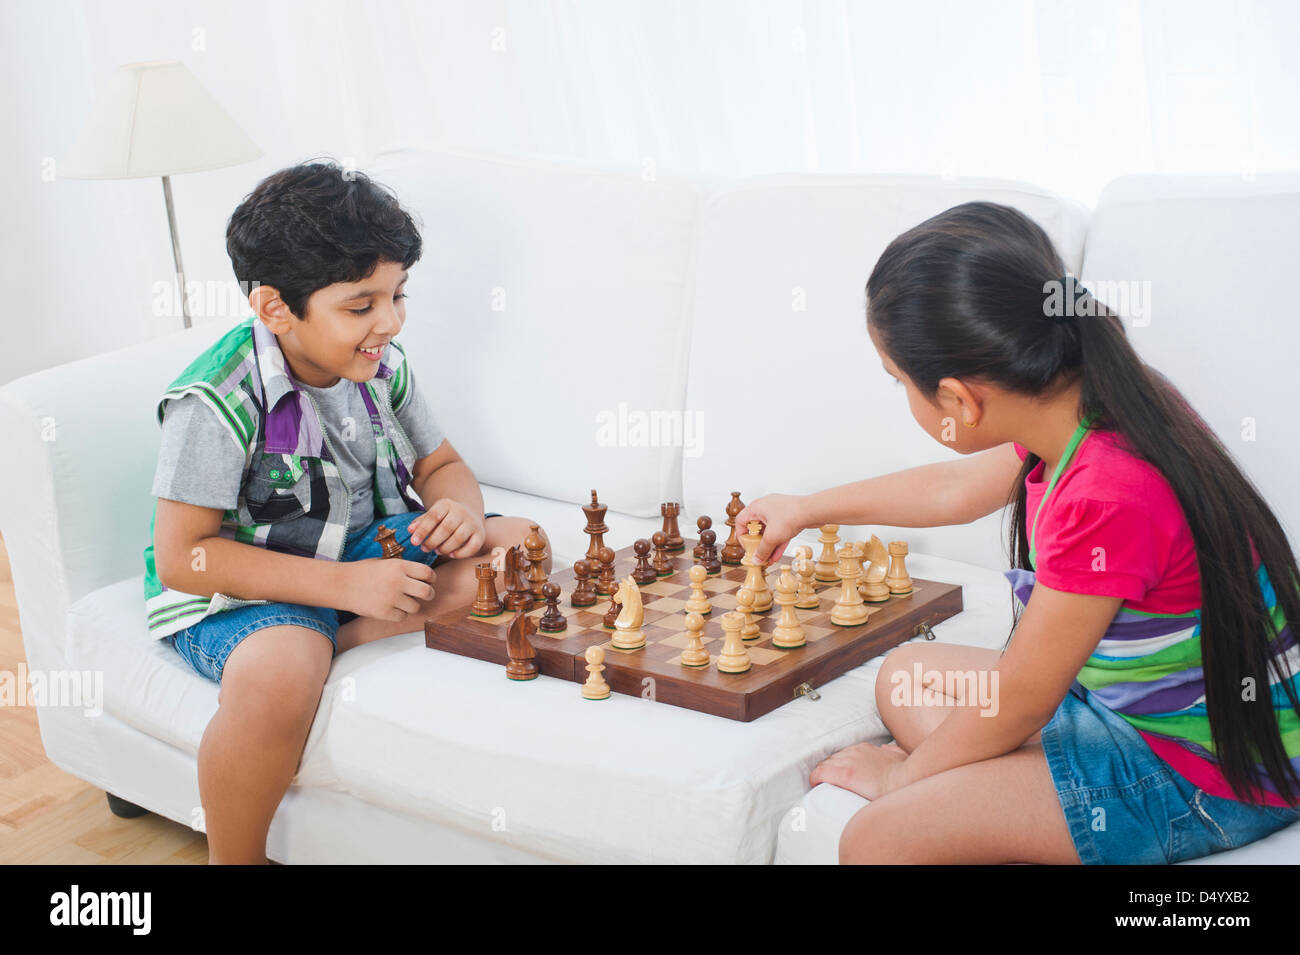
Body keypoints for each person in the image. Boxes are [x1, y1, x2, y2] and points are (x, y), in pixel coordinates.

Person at [736, 201, 1300, 864]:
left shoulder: (1107, 495)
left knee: (878, 839)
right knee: (906, 678)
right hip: (1121, 708)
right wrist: (805, 508)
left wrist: (902, 778)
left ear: (959, 400)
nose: (900, 392)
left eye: (899, 382)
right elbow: (950, 490)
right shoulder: (1095, 403)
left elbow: (1020, 698)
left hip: (1204, 772)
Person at [142, 160, 548, 864]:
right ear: (275, 308)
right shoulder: (216, 400)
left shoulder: (382, 362)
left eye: (397, 295)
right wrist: (342, 589)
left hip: (365, 551)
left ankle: (345, 627)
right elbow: (186, 558)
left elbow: (441, 465)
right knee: (282, 668)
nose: (388, 321)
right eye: (361, 305)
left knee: (525, 547)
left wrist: (458, 511)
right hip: (248, 590)